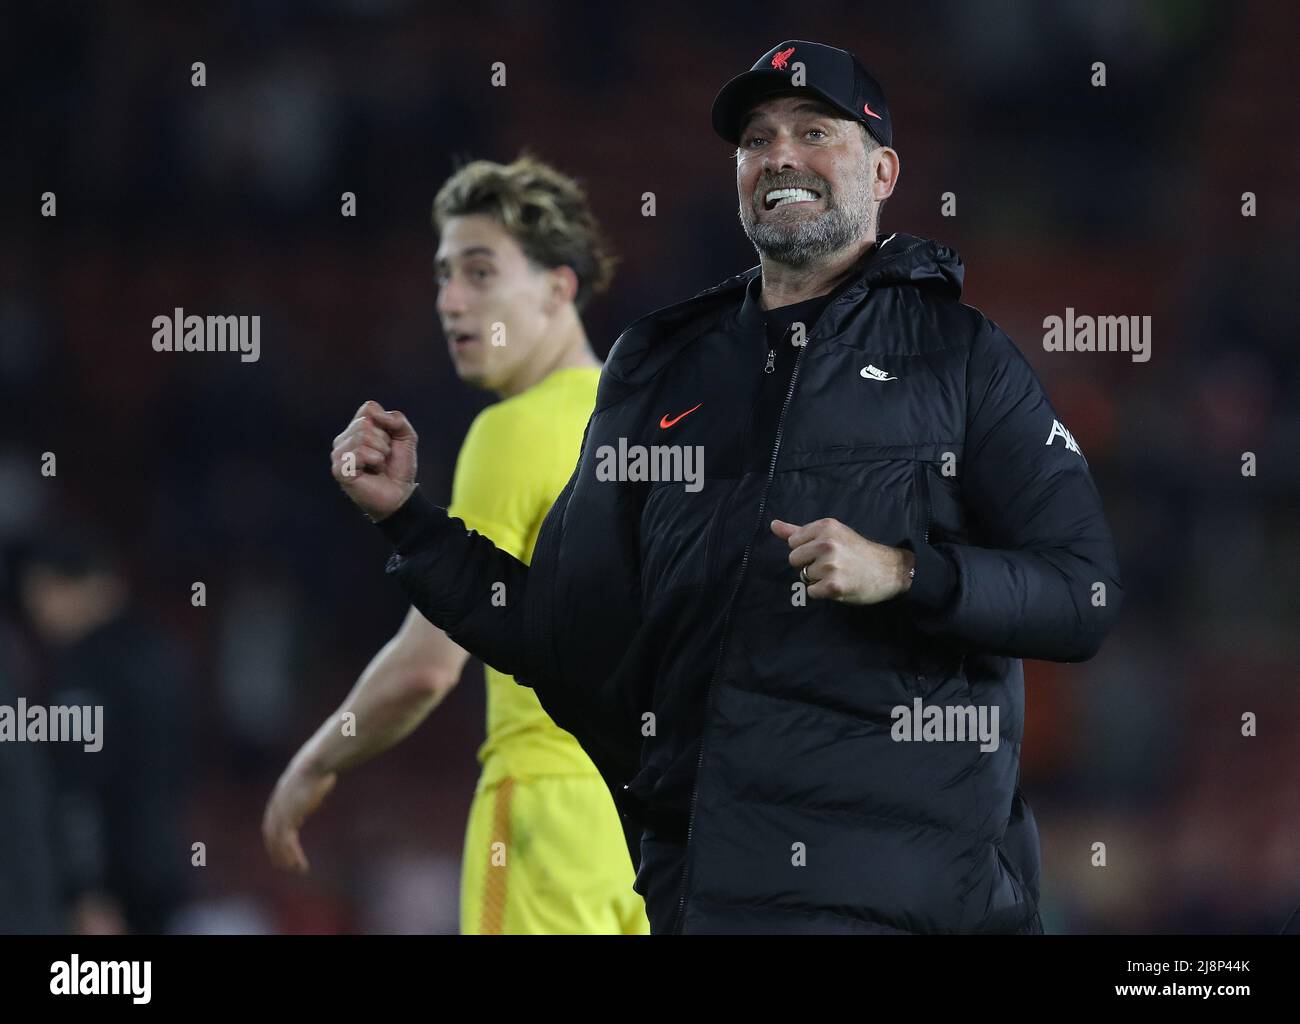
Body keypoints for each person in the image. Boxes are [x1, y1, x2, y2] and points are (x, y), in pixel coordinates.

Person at [331, 41, 1124, 934]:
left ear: (883, 172)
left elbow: (1082, 595)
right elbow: (559, 638)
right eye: (756, 139)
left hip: (921, 907)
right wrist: (411, 523)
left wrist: (907, 573)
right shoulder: (660, 367)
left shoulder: (963, 358)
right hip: (714, 904)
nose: (779, 155)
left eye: (813, 131)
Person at [264, 155, 649, 935]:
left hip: (544, 818)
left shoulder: (512, 431)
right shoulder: (649, 419)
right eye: (443, 276)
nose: (449, 301)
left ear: (558, 288)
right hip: (652, 830)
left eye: (480, 272)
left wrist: (316, 762)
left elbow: (427, 666)